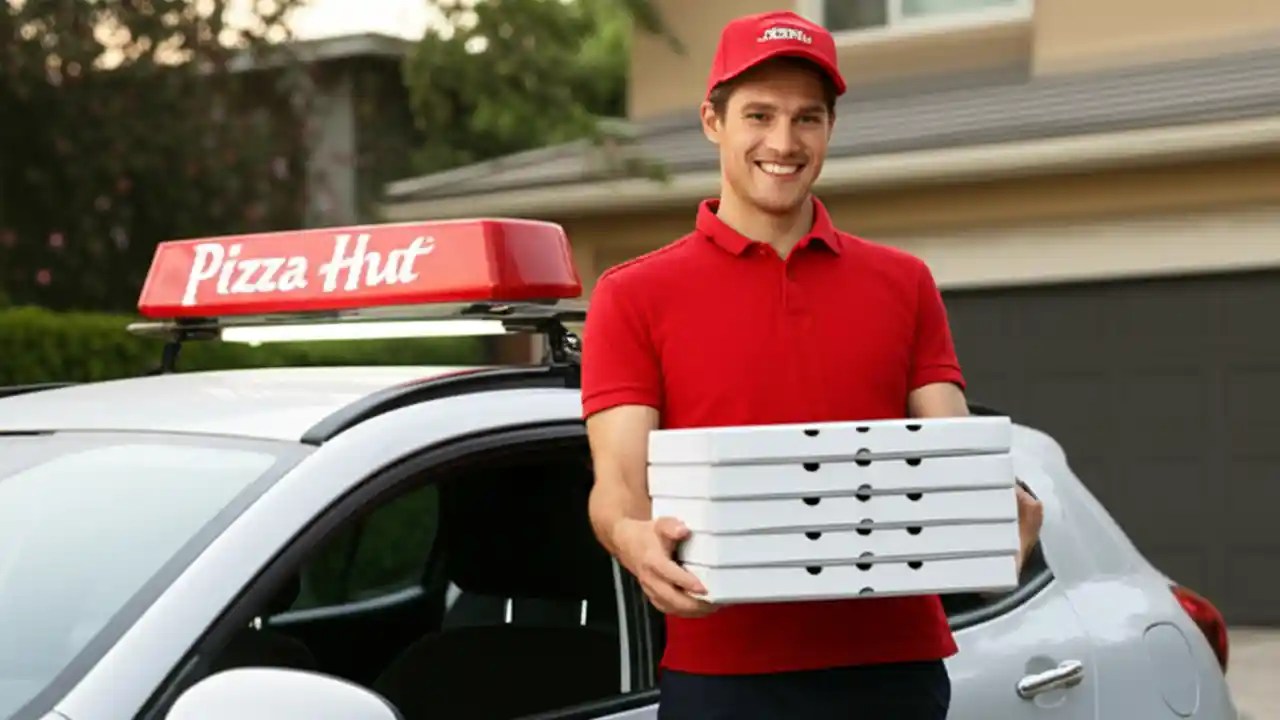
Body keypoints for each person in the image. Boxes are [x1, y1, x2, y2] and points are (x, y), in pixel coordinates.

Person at [580, 9, 1044, 719]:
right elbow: (616, 487)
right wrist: (632, 539)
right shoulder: (633, 295)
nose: (783, 142)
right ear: (713, 121)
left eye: (807, 119)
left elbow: (948, 453)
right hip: (724, 674)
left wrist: (989, 515)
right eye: (758, 115)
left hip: (893, 670)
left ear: (830, 128)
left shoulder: (904, 283)